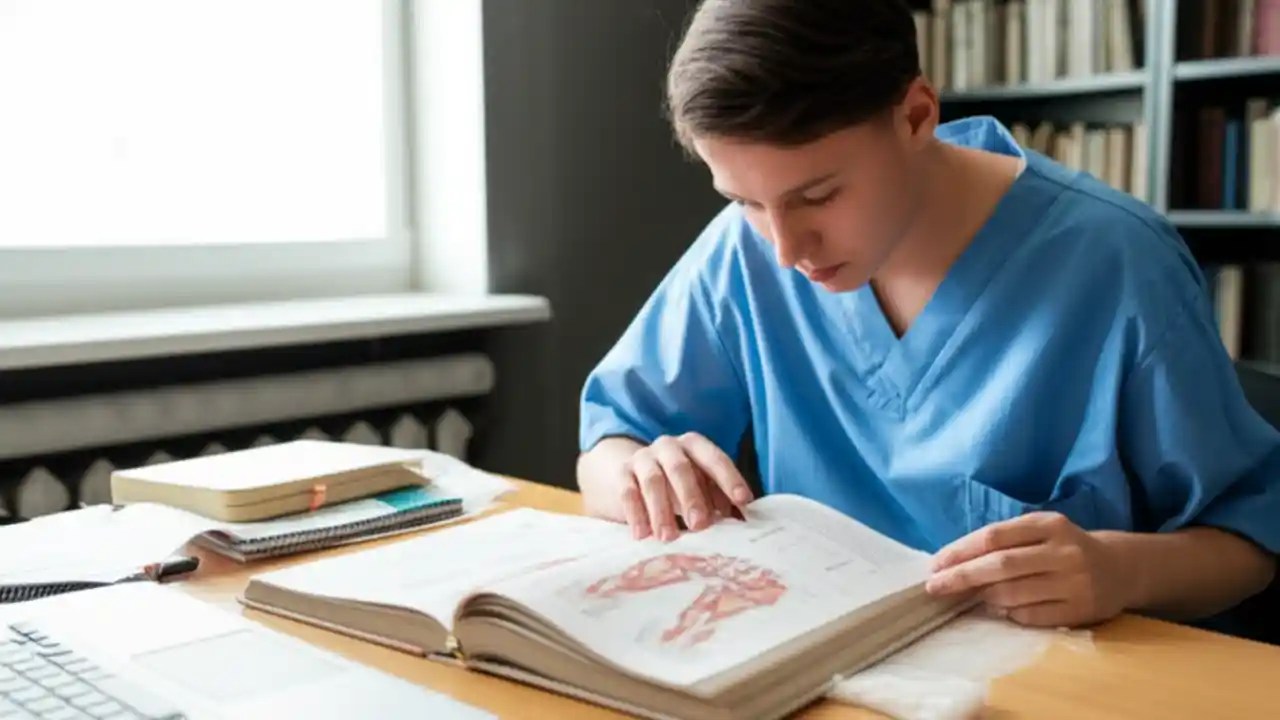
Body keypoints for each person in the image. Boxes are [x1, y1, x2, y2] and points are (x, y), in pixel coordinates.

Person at [574, 0, 1279, 631]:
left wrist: (1121, 573)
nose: (786, 250)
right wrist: (635, 471)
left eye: (818, 195)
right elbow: (608, 444)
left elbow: (1251, 537)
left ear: (916, 115)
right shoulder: (742, 252)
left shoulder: (1119, 264)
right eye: (746, 202)